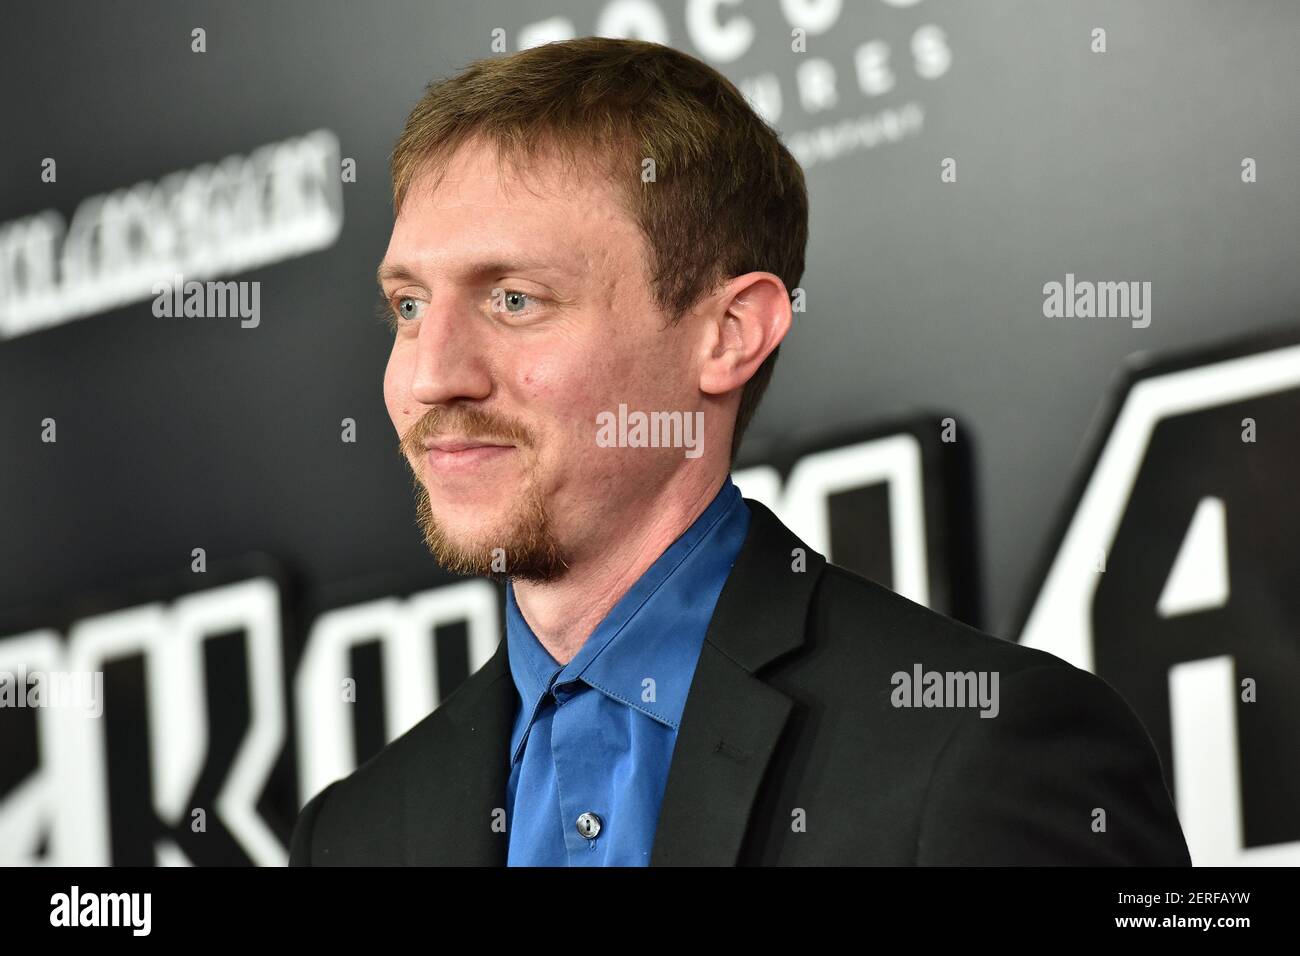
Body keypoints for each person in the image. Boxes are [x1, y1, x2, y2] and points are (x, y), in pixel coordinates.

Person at [289, 37, 1190, 866]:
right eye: (408, 307)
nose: (431, 375)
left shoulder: (984, 756)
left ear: (728, 333)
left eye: (515, 299)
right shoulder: (356, 835)